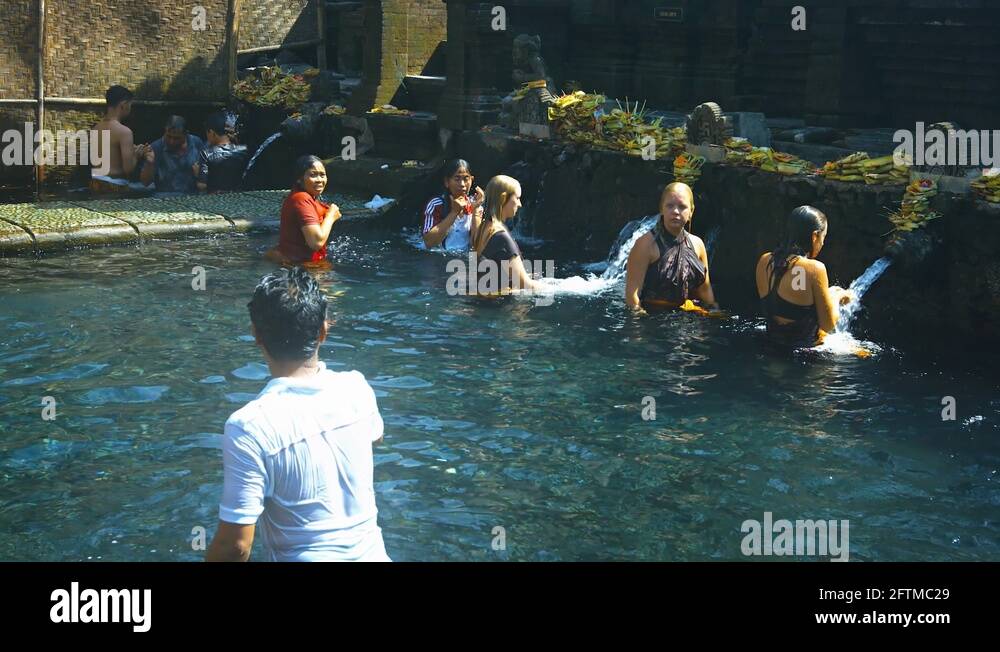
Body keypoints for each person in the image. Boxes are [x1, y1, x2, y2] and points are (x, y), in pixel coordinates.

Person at [206, 266, 391, 562]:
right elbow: (376, 437)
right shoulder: (356, 388)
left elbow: (236, 547)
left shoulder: (249, 427)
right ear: (323, 331)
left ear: (256, 335)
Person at [754, 206, 853, 348]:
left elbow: (785, 305)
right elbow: (828, 324)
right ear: (814, 236)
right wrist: (837, 297)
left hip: (769, 345)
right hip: (804, 355)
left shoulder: (764, 260)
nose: (823, 243)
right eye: (823, 237)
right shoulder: (815, 268)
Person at [625, 182, 717, 314]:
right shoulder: (645, 245)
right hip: (652, 316)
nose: (675, 211)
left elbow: (705, 290)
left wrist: (712, 312)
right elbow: (632, 297)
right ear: (661, 209)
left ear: (691, 211)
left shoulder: (698, 244)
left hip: (684, 317)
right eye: (670, 206)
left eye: (682, 207)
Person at [468, 174, 541, 292]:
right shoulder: (501, 237)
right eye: (517, 198)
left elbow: (474, 239)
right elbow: (525, 285)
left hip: (484, 302)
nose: (520, 204)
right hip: (502, 306)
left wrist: (476, 209)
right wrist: (561, 288)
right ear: (503, 198)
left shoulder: (484, 228)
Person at [267, 155, 341, 265]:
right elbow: (316, 242)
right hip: (301, 269)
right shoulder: (302, 199)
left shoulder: (302, 197)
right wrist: (331, 216)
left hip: (295, 264)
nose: (319, 180)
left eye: (322, 175)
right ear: (299, 178)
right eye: (313, 175)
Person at [89, 85, 143, 194]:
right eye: (130, 105)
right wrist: (137, 155)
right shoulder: (124, 132)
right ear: (123, 105)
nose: (130, 109)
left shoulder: (96, 128)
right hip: (114, 186)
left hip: (95, 183)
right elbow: (128, 169)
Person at [421, 159, 484, 250]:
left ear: (472, 180)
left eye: (466, 179)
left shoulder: (475, 205)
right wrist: (454, 212)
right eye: (457, 179)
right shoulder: (436, 205)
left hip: (462, 260)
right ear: (447, 182)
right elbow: (429, 243)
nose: (462, 184)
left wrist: (475, 211)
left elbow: (478, 245)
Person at [137, 115, 205, 194]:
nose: (171, 141)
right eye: (168, 136)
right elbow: (145, 183)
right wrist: (150, 163)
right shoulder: (156, 148)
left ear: (186, 134)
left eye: (176, 138)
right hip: (165, 196)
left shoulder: (196, 143)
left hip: (192, 196)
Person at [196, 112, 248, 193]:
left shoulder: (207, 154)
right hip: (238, 198)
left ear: (212, 132)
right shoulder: (243, 150)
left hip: (216, 200)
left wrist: (197, 174)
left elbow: (202, 185)